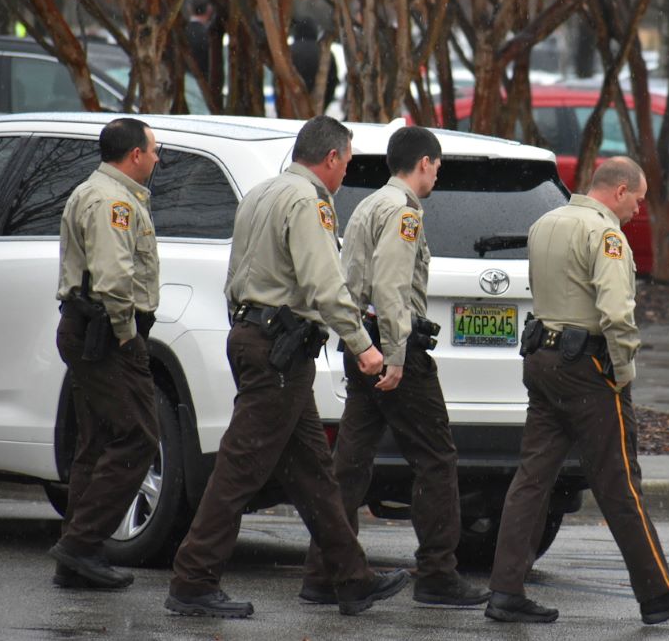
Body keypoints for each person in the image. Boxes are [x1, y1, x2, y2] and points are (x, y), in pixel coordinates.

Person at [165, 116, 408, 618]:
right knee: (239, 467)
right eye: (346, 161)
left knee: (313, 474)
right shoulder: (309, 201)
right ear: (333, 158)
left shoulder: (261, 193)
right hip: (278, 349)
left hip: (260, 340)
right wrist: (362, 344)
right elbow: (324, 283)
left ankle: (350, 577)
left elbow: (237, 275)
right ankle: (193, 579)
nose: (344, 173)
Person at [486, 157, 669, 625]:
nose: (638, 207)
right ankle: (657, 593)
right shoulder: (605, 234)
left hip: (543, 359)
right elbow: (615, 312)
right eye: (637, 197)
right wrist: (624, 371)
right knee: (619, 482)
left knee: (532, 479)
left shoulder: (545, 223)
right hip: (588, 367)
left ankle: (505, 591)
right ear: (618, 190)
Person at [300, 126, 490, 607]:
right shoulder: (404, 211)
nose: (437, 174)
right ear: (424, 163)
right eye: (438, 165)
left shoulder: (368, 204)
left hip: (362, 343)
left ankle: (325, 572)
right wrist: (399, 355)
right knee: (436, 459)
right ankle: (437, 575)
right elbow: (391, 288)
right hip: (392, 349)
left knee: (351, 463)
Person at [50, 118, 161, 590]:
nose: (158, 158)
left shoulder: (101, 192)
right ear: (134, 154)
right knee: (138, 437)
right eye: (155, 150)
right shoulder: (113, 201)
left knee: (96, 442)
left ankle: (79, 555)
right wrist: (127, 336)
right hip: (106, 332)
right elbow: (114, 279)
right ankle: (80, 545)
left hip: (90, 328)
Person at [291, 17, 339, 112]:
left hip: (292, 105)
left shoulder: (289, 52)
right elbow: (333, 80)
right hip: (319, 104)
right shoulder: (324, 52)